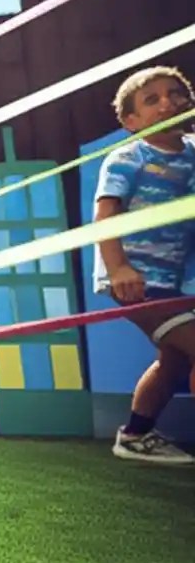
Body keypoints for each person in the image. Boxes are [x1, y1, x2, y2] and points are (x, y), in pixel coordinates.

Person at [95, 65, 195, 465]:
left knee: (177, 358)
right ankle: (135, 435)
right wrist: (119, 268)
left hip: (176, 282)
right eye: (151, 100)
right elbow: (107, 218)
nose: (167, 102)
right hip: (136, 283)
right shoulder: (127, 158)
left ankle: (136, 435)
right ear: (130, 121)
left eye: (175, 93)